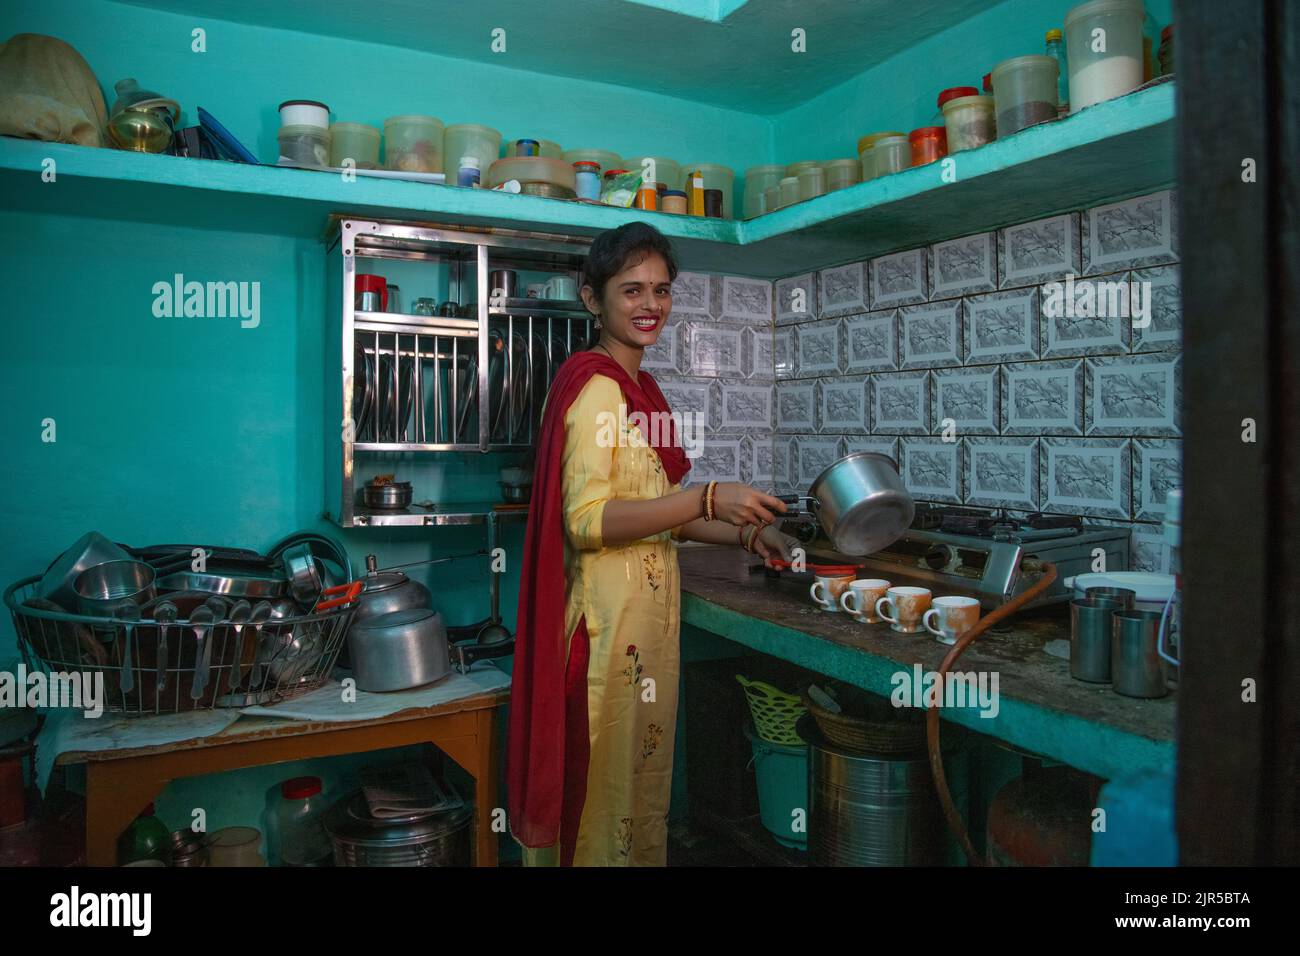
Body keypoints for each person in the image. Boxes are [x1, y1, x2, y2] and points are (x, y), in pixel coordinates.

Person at [507, 221, 798, 866]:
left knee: (636, 799)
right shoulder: (596, 386)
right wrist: (706, 496)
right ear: (593, 300)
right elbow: (587, 521)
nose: (650, 306)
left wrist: (752, 533)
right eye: (631, 290)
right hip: (603, 637)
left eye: (661, 291)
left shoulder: (644, 391)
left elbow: (663, 514)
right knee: (598, 803)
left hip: (643, 635)